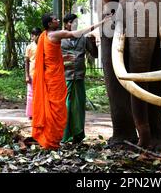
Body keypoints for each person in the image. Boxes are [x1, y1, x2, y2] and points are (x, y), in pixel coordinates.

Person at [32, 12, 112, 149]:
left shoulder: (44, 37)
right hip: (58, 77)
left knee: (57, 108)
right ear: (50, 24)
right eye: (55, 19)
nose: (57, 20)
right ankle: (52, 138)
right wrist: (101, 23)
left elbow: (50, 57)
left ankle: (60, 137)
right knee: (57, 108)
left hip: (60, 75)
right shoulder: (55, 35)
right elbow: (78, 33)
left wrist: (63, 59)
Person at [61, 14, 98, 144]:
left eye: (76, 22)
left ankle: (78, 136)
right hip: (65, 77)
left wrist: (93, 43)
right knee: (66, 106)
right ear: (66, 24)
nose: (74, 24)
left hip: (79, 77)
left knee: (78, 107)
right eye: (72, 22)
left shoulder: (83, 38)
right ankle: (64, 136)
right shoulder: (60, 38)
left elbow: (95, 54)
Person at [24, 27, 42, 119]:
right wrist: (27, 75)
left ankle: (39, 112)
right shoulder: (29, 47)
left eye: (39, 35)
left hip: (42, 73)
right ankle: (31, 114)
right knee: (31, 94)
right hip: (32, 73)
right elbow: (26, 61)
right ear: (32, 36)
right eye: (36, 35)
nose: (38, 37)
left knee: (41, 94)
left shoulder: (43, 46)